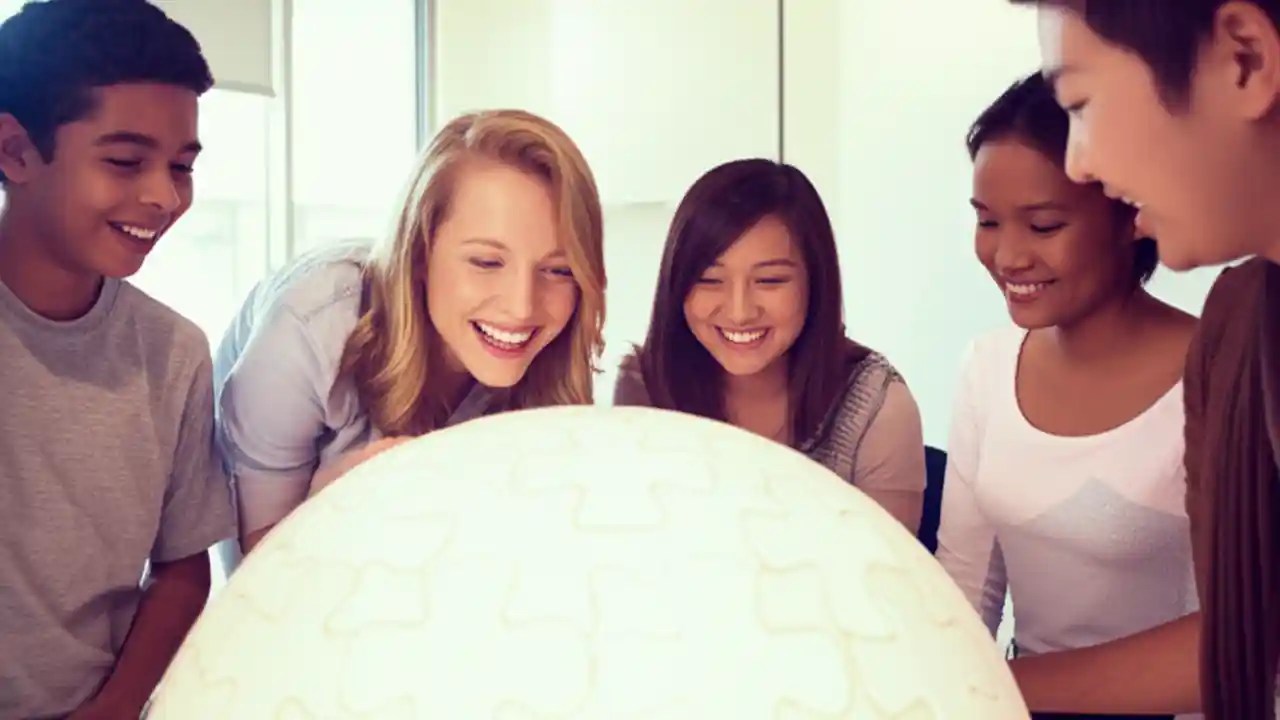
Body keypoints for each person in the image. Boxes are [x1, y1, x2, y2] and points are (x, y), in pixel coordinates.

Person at [1005, 2, 1280, 718]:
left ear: (1245, 59)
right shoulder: (1242, 331)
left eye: (1081, 104)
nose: (1079, 162)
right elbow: (1247, 635)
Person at [214, 109, 607, 559]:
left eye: (558, 270)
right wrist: (326, 504)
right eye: (486, 262)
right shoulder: (310, 327)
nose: (522, 307)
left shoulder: (554, 356)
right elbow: (257, 574)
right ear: (419, 252)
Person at [935, 71, 1200, 720]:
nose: (1008, 256)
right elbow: (964, 589)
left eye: (1044, 225)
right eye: (988, 222)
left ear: (1130, 214)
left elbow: (1233, 647)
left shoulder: (1214, 374)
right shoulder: (987, 366)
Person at [0, 1, 237, 717]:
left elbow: (182, 569)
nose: (164, 196)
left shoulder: (174, 354)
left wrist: (109, 712)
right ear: (14, 152)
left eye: (182, 166)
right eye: (125, 161)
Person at [613, 159, 925, 532]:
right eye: (710, 280)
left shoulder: (876, 405)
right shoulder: (644, 387)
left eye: (770, 280)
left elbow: (888, 578)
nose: (740, 312)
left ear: (815, 282)